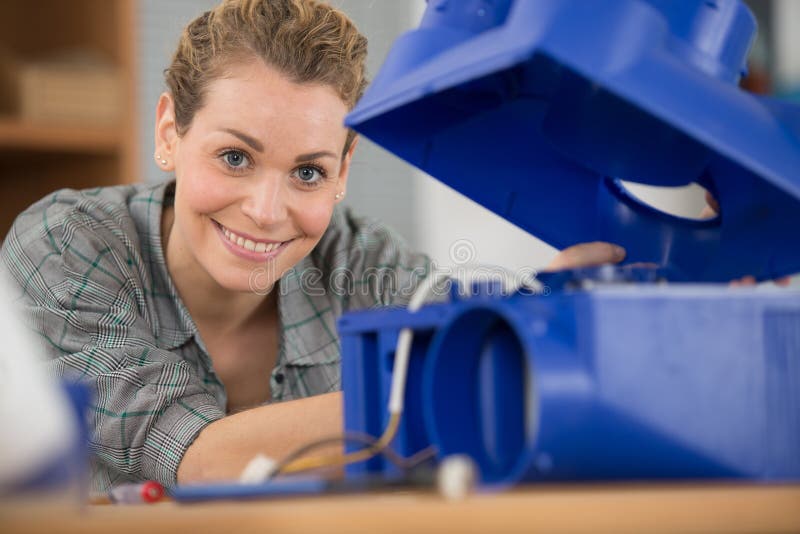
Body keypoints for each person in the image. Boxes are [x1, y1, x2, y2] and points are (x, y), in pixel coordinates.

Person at [0, 0, 626, 492]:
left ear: (344, 169)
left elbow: (478, 339)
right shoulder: (67, 246)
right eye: (235, 157)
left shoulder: (365, 265)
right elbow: (199, 458)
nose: (267, 212)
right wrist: (474, 379)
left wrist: (557, 318)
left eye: (307, 172)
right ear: (170, 132)